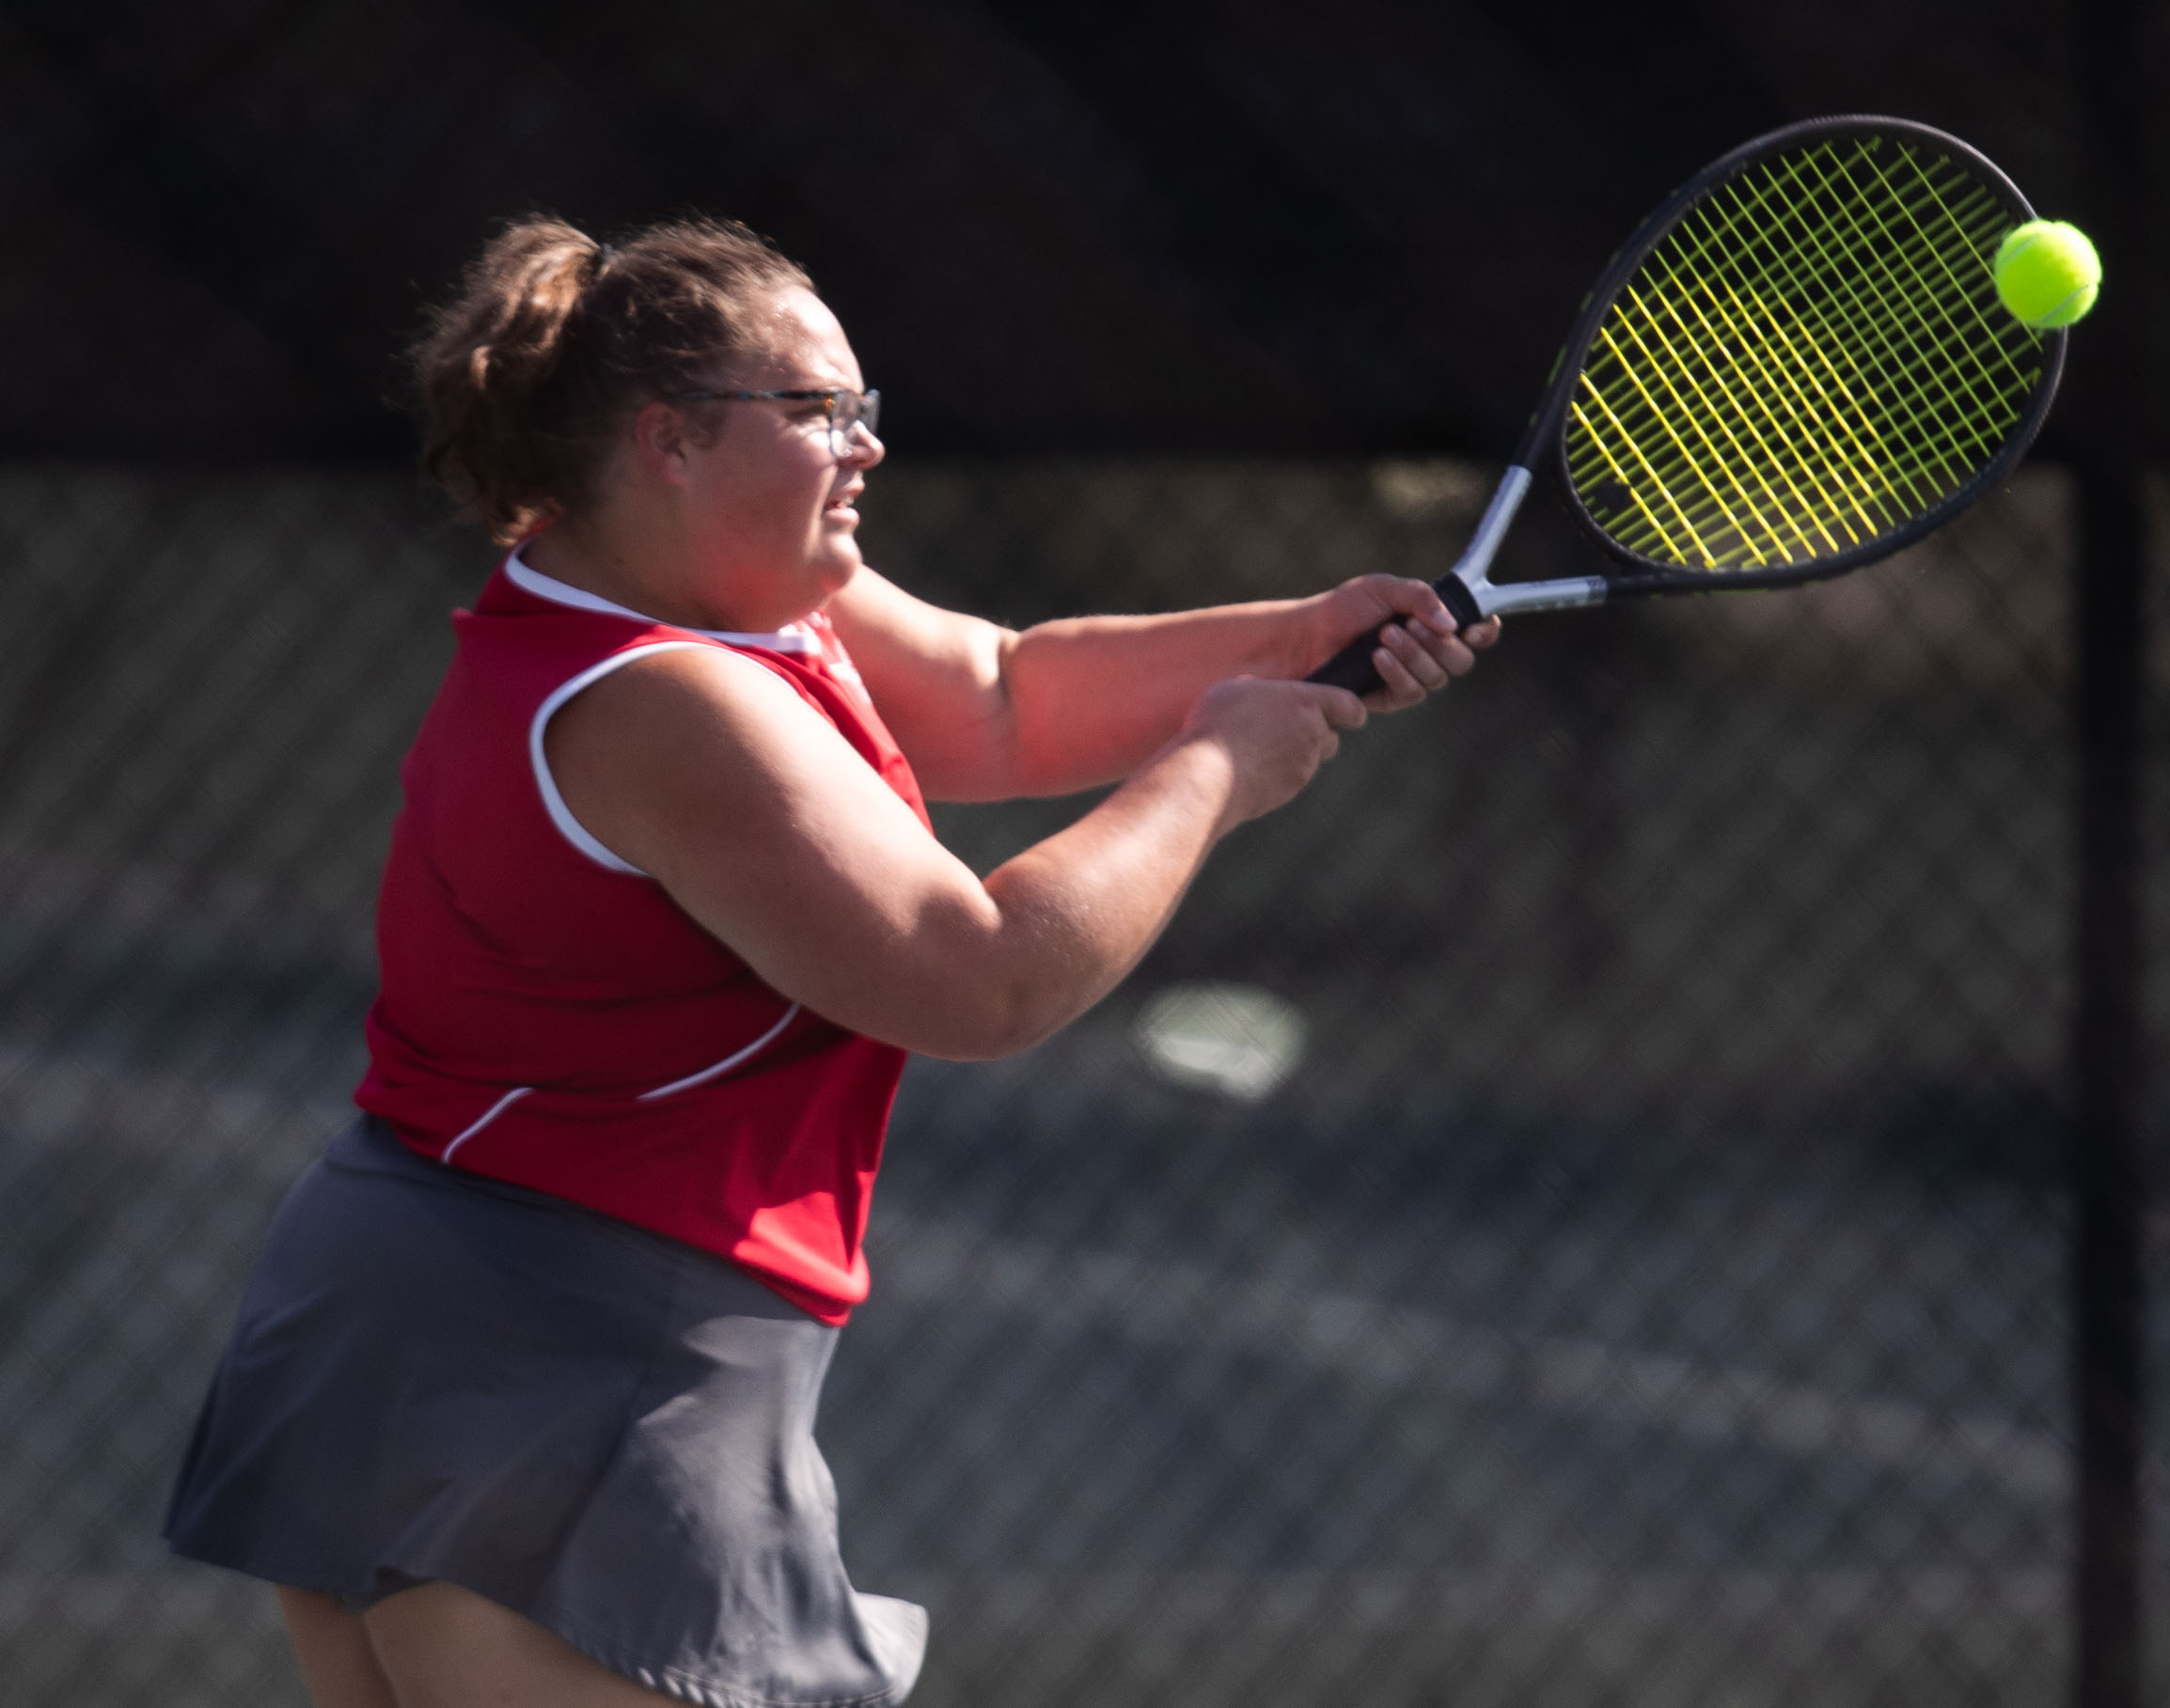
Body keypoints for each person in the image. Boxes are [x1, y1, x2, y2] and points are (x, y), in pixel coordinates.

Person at [164, 214, 1499, 1708]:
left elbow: (1004, 694)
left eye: (867, 407)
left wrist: (1295, 635)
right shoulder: (667, 705)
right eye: (818, 411)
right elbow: (978, 976)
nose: (866, 445)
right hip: (561, 1358)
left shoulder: (707, 593)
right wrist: (1214, 772)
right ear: (668, 441)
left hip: (426, 1322)